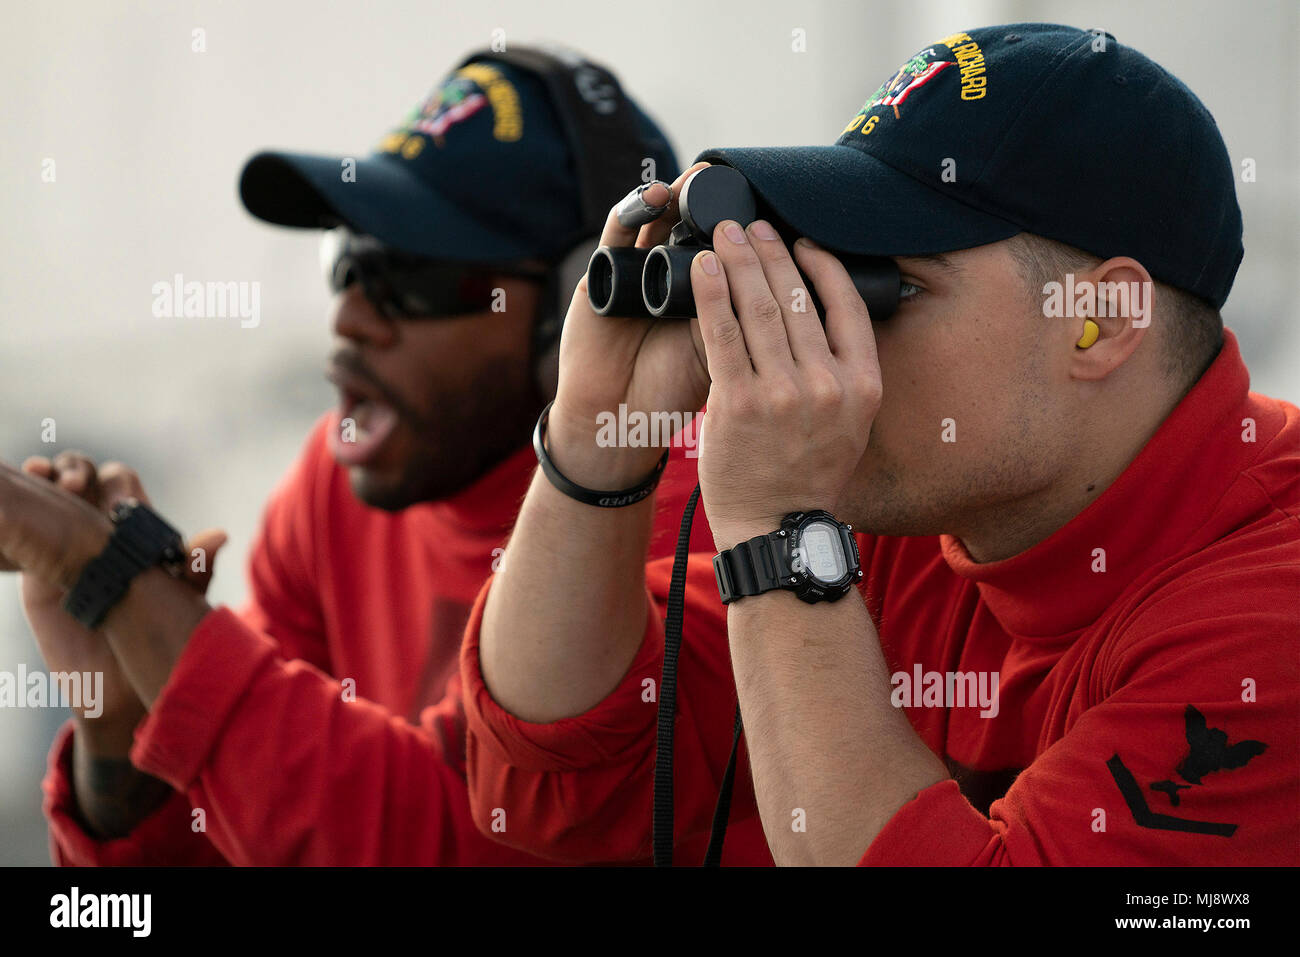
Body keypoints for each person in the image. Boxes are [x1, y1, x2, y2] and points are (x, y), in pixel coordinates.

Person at [460, 24, 1299, 865]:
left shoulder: (1270, 620)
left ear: (1101, 322)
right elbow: (559, 783)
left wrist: (780, 530)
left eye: (888, 285)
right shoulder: (923, 523)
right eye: (819, 269)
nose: (831, 332)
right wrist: (599, 433)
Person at [0, 48, 714, 865]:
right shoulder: (330, 487)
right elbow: (237, 823)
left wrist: (123, 580)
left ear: (584, 301)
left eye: (412, 275)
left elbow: (474, 840)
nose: (349, 317)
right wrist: (123, 720)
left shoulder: (674, 489)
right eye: (347, 263)